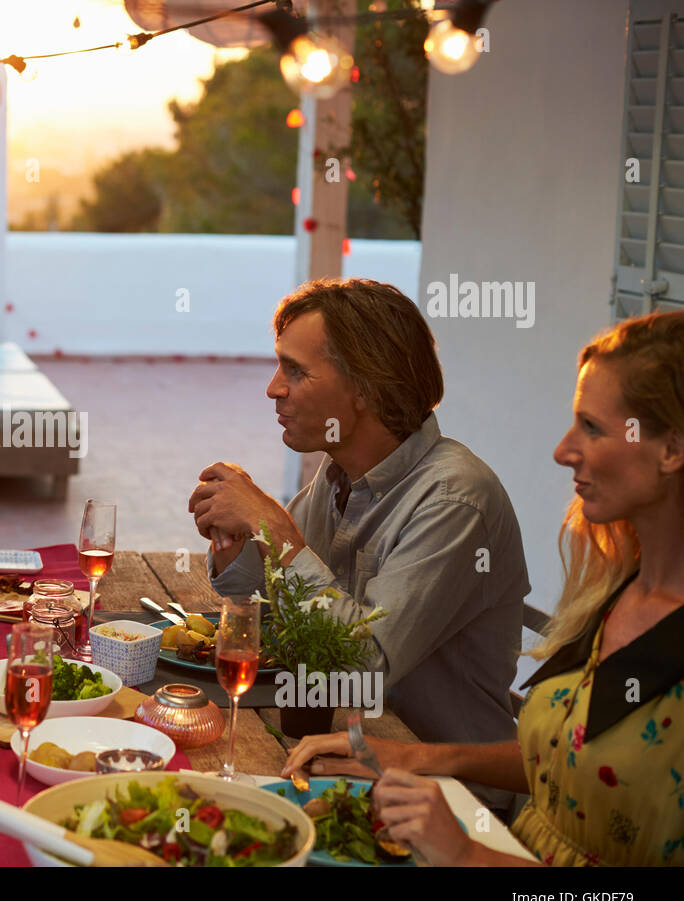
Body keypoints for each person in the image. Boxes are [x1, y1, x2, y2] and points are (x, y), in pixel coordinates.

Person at [283, 311, 684, 866]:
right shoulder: (622, 592)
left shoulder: (455, 496)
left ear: (671, 448)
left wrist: (468, 853)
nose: (563, 450)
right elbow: (572, 755)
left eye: (592, 427)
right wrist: (419, 757)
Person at [189, 278, 528, 811]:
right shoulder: (341, 471)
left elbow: (360, 665)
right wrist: (236, 546)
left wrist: (276, 532)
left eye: (295, 370)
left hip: (448, 795)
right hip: (340, 749)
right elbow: (271, 601)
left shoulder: (455, 500)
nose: (273, 388)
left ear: (366, 387)